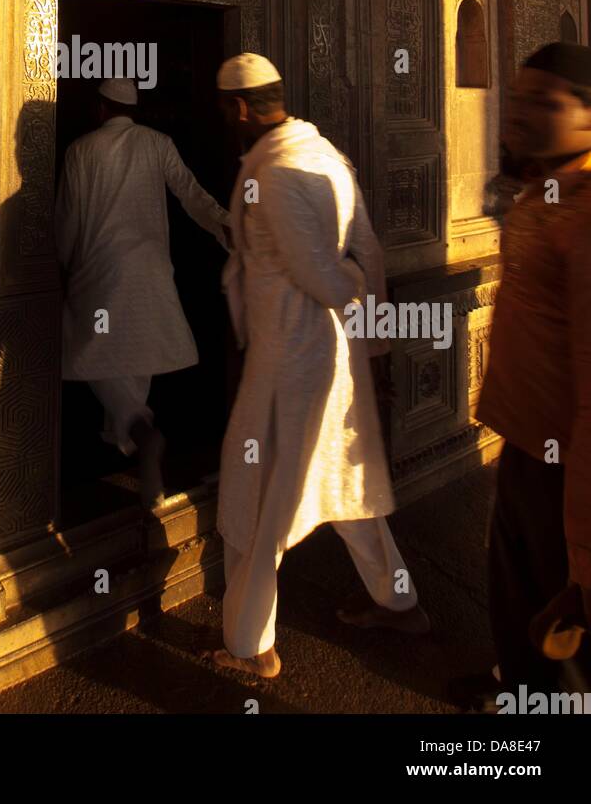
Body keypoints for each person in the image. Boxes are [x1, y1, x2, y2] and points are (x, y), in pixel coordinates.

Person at [209, 52, 428, 679]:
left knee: (255, 504)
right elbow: (368, 249)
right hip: (332, 358)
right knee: (348, 491)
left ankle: (251, 645)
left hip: (290, 367)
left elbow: (324, 274)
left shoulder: (278, 174)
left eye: (227, 110)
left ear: (242, 108)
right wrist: (376, 340)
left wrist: (349, 296)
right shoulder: (325, 155)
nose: (226, 120)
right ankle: (400, 600)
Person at [472, 41, 591, 703]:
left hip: (566, 469)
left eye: (543, 103)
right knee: (517, 609)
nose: (516, 113)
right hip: (523, 447)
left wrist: (583, 553)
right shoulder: (543, 189)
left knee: (566, 635)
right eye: (514, 98)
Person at [55, 77, 230, 507]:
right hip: (150, 276)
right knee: (134, 359)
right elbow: (191, 194)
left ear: (101, 109)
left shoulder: (80, 151)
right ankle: (138, 438)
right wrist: (227, 224)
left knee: (92, 356)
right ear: (133, 109)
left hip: (101, 277)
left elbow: (67, 226)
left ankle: (141, 434)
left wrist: (56, 266)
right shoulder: (158, 143)